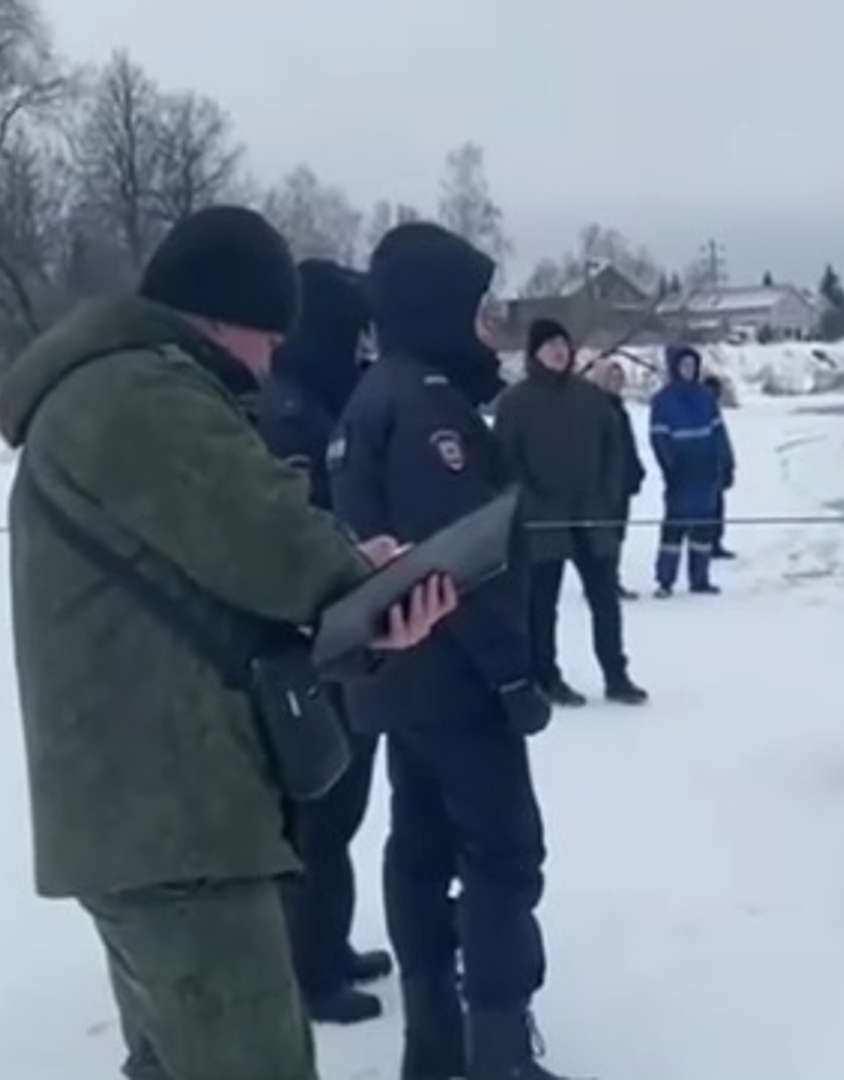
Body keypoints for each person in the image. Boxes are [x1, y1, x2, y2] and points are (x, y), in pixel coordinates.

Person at [0, 205, 456, 1080]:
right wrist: (361, 582)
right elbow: (270, 544)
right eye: (268, 336)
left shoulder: (107, 390)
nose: (271, 361)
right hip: (178, 819)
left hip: (146, 817)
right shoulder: (141, 393)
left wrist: (354, 580)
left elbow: (224, 574)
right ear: (217, 317)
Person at [330, 221, 578, 1080]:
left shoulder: (376, 394)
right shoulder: (425, 405)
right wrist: (513, 674)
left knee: (420, 848)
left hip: (404, 680)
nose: (489, 328)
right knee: (501, 859)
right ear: (438, 310)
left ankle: (434, 1048)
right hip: (455, 677)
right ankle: (494, 1054)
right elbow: (456, 563)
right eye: (477, 309)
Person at [255, 258, 393, 1026]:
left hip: (347, 628)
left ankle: (327, 946)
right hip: (305, 641)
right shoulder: (289, 410)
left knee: (340, 811)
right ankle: (305, 971)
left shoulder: (333, 396)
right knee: (314, 815)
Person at [494, 319, 649, 707]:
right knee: (541, 605)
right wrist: (529, 503)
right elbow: (504, 463)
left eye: (563, 343)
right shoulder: (515, 402)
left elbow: (614, 451)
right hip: (543, 519)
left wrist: (608, 497)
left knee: (605, 601)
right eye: (549, 346)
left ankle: (616, 674)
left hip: (591, 515)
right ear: (535, 353)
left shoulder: (590, 398)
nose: (559, 351)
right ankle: (546, 676)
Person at [649, 344, 732, 596]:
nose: (689, 370)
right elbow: (658, 438)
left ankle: (700, 578)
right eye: (684, 365)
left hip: (706, 472)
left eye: (692, 365)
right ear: (675, 368)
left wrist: (726, 463)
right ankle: (665, 580)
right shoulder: (663, 400)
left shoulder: (705, 397)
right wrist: (669, 468)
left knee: (704, 528)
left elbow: (719, 433)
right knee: (674, 528)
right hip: (681, 473)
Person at [588, 358, 645, 599]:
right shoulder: (593, 409)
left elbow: (627, 445)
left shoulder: (619, 409)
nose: (616, 382)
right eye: (611, 377)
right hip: (602, 484)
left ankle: (612, 578)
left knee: (618, 533)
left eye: (619, 377)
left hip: (622, 482)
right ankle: (603, 581)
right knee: (605, 535)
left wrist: (635, 470)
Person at [700, 371, 738, 559]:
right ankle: (704, 544)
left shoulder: (714, 411)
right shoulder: (700, 411)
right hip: (704, 470)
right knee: (705, 510)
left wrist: (729, 465)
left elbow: (723, 441)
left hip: (718, 468)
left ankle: (715, 543)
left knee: (717, 510)